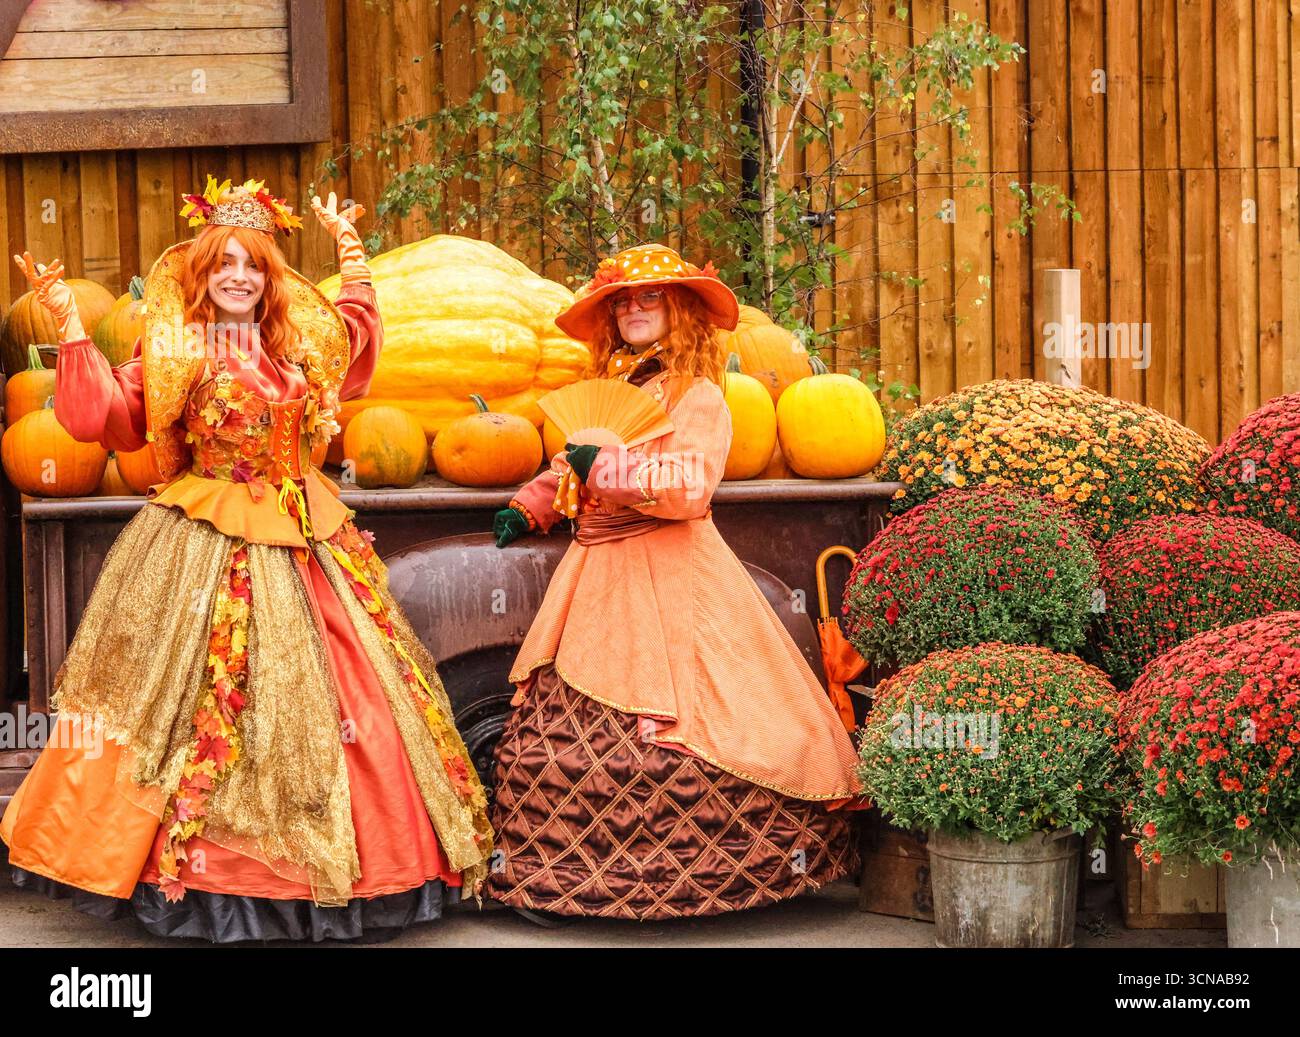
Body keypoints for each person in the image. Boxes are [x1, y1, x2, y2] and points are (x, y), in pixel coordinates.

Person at [0, 177, 493, 942]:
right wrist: (69, 328)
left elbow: (354, 348)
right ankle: (191, 876)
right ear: (202, 274)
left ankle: (347, 867)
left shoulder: (293, 344)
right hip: (205, 538)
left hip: (307, 534)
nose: (238, 275)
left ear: (269, 276)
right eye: (223, 262)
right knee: (195, 710)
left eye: (253, 264)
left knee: (348, 704)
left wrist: (353, 255)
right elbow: (114, 419)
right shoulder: (177, 347)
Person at [488, 243, 861, 920]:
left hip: (674, 568)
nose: (633, 309)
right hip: (595, 572)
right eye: (622, 301)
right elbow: (566, 466)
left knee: (690, 722)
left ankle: (691, 885)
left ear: (679, 309)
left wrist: (606, 468)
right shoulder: (611, 389)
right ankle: (569, 879)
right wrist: (533, 503)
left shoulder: (700, 398)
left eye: (649, 297)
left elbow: (688, 490)